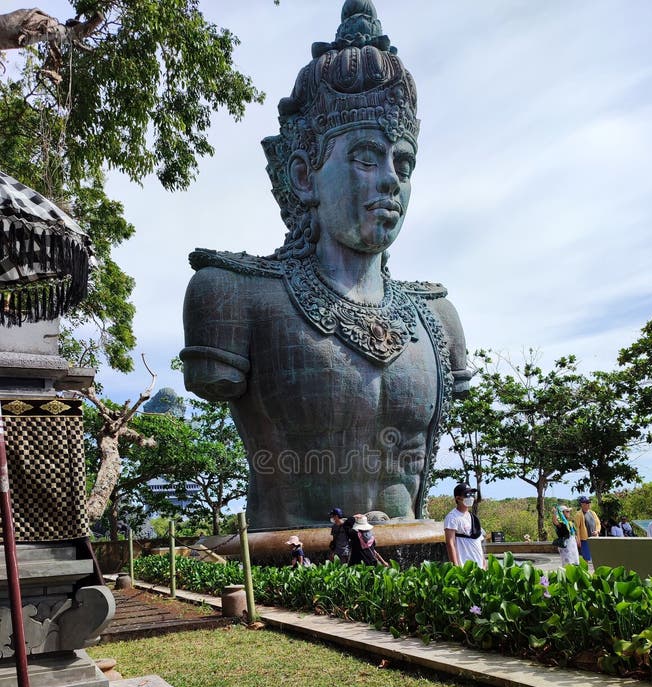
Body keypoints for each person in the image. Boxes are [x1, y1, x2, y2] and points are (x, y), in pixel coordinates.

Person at [181, 0, 471, 529]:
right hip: (293, 570)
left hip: (416, 565)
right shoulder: (231, 294)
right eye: (365, 156)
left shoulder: (438, 316)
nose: (390, 180)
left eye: (402, 163)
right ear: (302, 176)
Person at [444, 483, 485, 568]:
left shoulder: (473, 518)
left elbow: (478, 542)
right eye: (467, 495)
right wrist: (455, 565)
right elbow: (450, 543)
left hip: (478, 565)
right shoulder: (452, 517)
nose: (470, 497)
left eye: (472, 494)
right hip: (464, 564)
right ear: (458, 498)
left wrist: (484, 563)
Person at [574, 496, 601, 563]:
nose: (588, 505)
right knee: (586, 558)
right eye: (586, 503)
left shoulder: (593, 513)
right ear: (582, 504)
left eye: (588, 503)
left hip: (594, 538)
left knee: (596, 557)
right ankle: (585, 572)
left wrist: (597, 531)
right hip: (585, 540)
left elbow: (598, 523)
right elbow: (576, 527)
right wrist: (578, 539)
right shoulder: (578, 514)